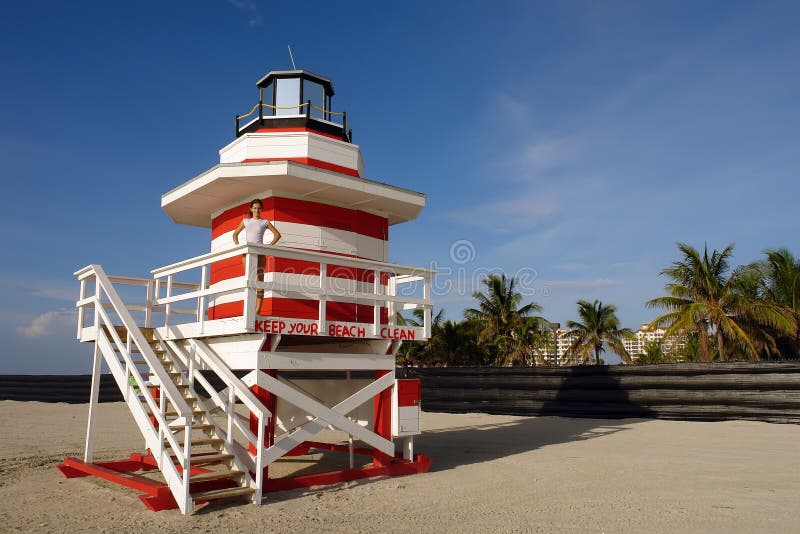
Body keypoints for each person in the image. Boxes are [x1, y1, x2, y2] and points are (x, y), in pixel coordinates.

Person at [232, 199, 281, 315]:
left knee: (259, 282)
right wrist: (238, 246)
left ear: (261, 209)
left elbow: (277, 235)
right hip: (247, 253)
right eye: (254, 208)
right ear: (251, 209)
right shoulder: (246, 221)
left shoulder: (264, 222)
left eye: (259, 208)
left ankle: (257, 311)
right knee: (249, 280)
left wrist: (268, 246)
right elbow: (235, 234)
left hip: (260, 253)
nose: (256, 210)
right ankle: (249, 310)